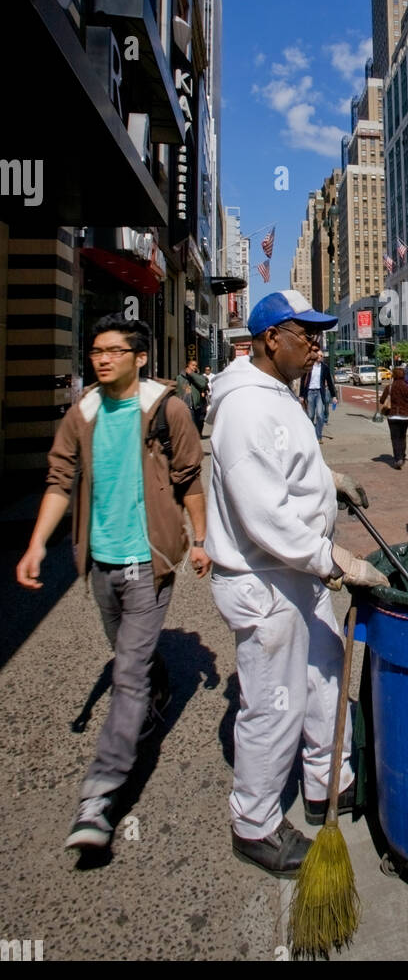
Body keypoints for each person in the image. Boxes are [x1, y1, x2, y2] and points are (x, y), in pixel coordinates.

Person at [205, 289, 389, 878]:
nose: (315, 343)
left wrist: (327, 479)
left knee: (325, 677)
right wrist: (336, 561)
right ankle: (254, 824)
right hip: (266, 579)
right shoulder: (245, 407)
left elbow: (286, 468)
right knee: (273, 706)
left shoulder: (277, 394)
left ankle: (326, 784)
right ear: (268, 340)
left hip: (296, 577)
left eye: (317, 333)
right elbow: (265, 515)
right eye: (303, 332)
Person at [15, 315, 210, 852]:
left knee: (126, 674)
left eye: (113, 351)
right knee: (131, 659)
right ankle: (157, 681)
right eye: (95, 351)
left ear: (139, 357)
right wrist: (37, 545)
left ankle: (99, 795)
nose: (101, 359)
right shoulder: (83, 413)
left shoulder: (167, 409)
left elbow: (190, 476)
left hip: (150, 562)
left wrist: (200, 539)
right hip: (98, 564)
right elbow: (59, 480)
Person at [380, 365, 408, 468]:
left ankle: (398, 458)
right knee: (402, 436)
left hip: (392, 416)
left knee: (395, 438)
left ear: (393, 375)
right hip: (405, 416)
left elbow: (381, 400)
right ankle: (402, 455)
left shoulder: (389, 387)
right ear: (404, 375)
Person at [299, 349, 336, 442]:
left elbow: (330, 383)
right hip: (310, 393)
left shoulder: (325, 368)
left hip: (320, 392)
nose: (321, 357)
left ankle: (318, 436)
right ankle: (310, 434)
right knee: (310, 415)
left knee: (320, 415)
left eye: (322, 356)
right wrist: (301, 395)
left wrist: (334, 396)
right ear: (315, 356)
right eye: (320, 356)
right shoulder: (309, 367)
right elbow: (303, 381)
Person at [177, 357, 209, 433]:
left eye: (196, 365)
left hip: (197, 406)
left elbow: (203, 384)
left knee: (198, 425)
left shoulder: (199, 377)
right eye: (193, 365)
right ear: (187, 366)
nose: (194, 367)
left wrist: (192, 374)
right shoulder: (179, 378)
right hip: (185, 405)